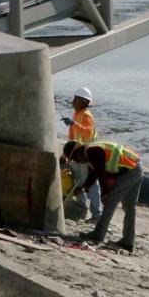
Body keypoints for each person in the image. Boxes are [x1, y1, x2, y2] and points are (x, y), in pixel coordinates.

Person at [63, 138, 143, 251]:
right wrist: (83, 188)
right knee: (130, 207)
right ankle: (128, 241)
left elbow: (101, 174)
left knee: (110, 202)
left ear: (78, 152)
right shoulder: (90, 156)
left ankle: (98, 235)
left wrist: (104, 193)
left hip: (130, 170)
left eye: (75, 159)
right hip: (136, 166)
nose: (77, 162)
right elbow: (93, 176)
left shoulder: (92, 152)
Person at [61, 86, 102, 221]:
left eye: (76, 99)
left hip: (87, 155)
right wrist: (67, 154)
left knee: (91, 184)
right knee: (77, 180)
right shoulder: (77, 114)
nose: (72, 101)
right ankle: (81, 208)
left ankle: (96, 214)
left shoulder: (86, 115)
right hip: (78, 155)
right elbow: (73, 137)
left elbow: (87, 132)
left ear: (83, 101)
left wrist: (73, 124)